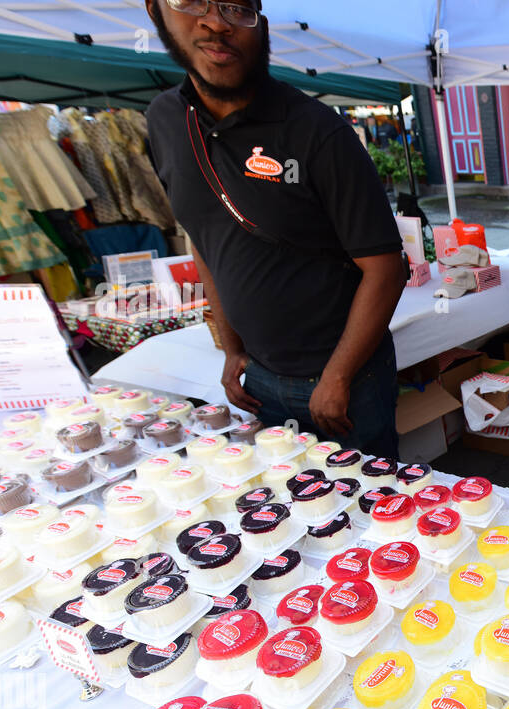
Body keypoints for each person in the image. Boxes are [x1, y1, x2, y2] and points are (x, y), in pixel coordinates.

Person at [144, 0, 406, 457]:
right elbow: (207, 244)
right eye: (190, 2)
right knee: (284, 511)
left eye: (235, 7)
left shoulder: (317, 131)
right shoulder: (165, 122)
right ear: (155, 12)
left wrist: (337, 377)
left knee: (371, 510)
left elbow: (386, 269)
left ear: (261, 26)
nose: (214, 22)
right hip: (259, 377)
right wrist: (231, 348)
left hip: (345, 375)